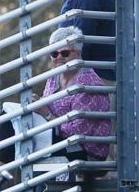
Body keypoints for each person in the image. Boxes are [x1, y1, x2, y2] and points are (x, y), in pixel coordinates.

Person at [36, 27, 113, 167]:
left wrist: (46, 114)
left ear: (78, 54)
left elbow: (76, 134)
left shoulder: (88, 85)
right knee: (10, 119)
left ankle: (2, 183)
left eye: (65, 53)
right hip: (56, 138)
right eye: (54, 53)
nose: (59, 58)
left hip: (84, 151)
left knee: (28, 146)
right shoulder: (55, 76)